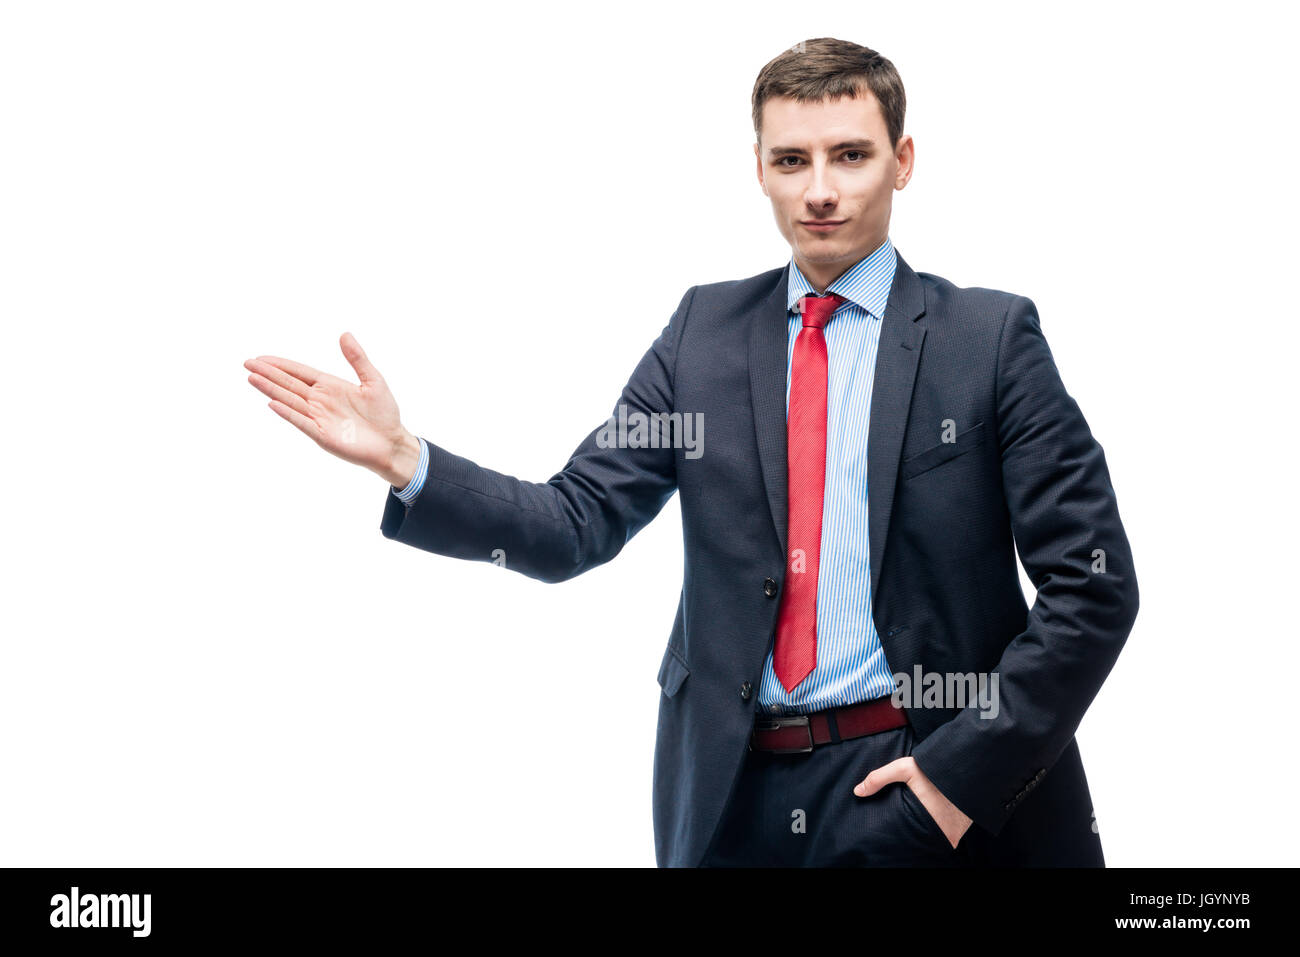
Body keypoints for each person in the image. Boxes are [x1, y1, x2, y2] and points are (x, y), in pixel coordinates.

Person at [243, 37, 1138, 867]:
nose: (820, 189)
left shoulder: (987, 338)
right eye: (792, 160)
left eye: (850, 155)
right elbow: (573, 522)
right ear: (759, 170)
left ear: (903, 163)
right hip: (732, 801)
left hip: (921, 782)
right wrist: (407, 459)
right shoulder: (701, 335)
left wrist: (951, 784)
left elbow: (1093, 590)